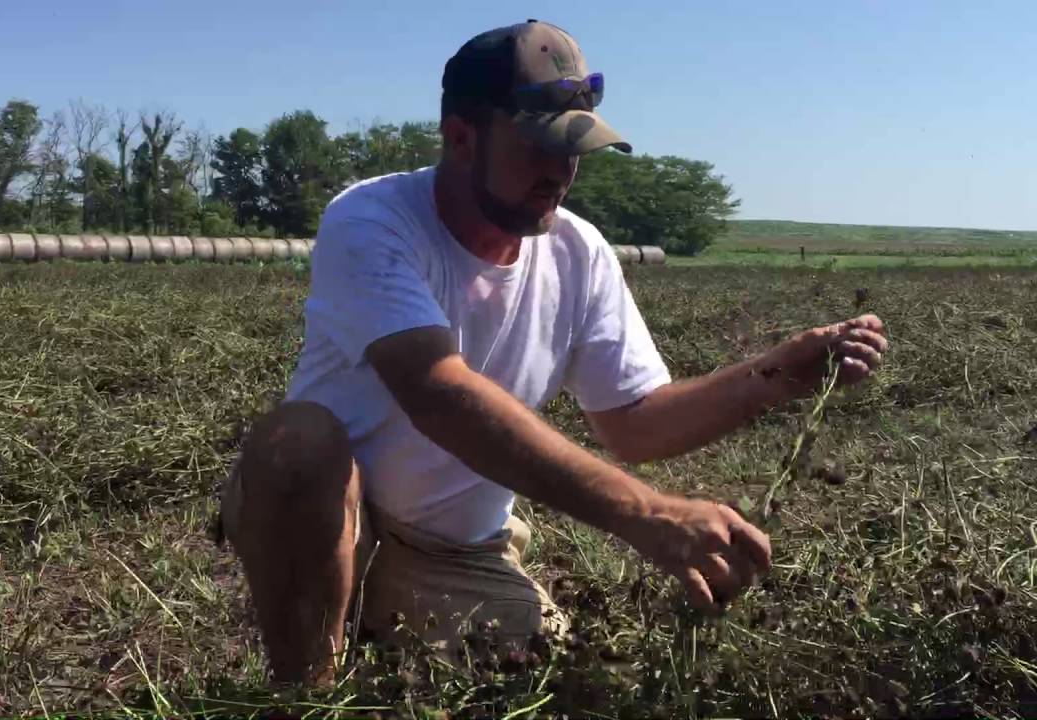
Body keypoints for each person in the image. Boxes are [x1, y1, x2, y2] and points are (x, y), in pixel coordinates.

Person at [217, 19, 889, 686]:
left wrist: (772, 377)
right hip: (337, 517)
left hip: (455, 549)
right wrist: (649, 514)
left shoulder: (579, 253)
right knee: (298, 446)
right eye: (539, 149)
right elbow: (438, 393)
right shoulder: (371, 220)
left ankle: (378, 623)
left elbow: (636, 421)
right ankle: (305, 691)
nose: (561, 173)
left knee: (560, 683)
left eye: (574, 150)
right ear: (460, 139)